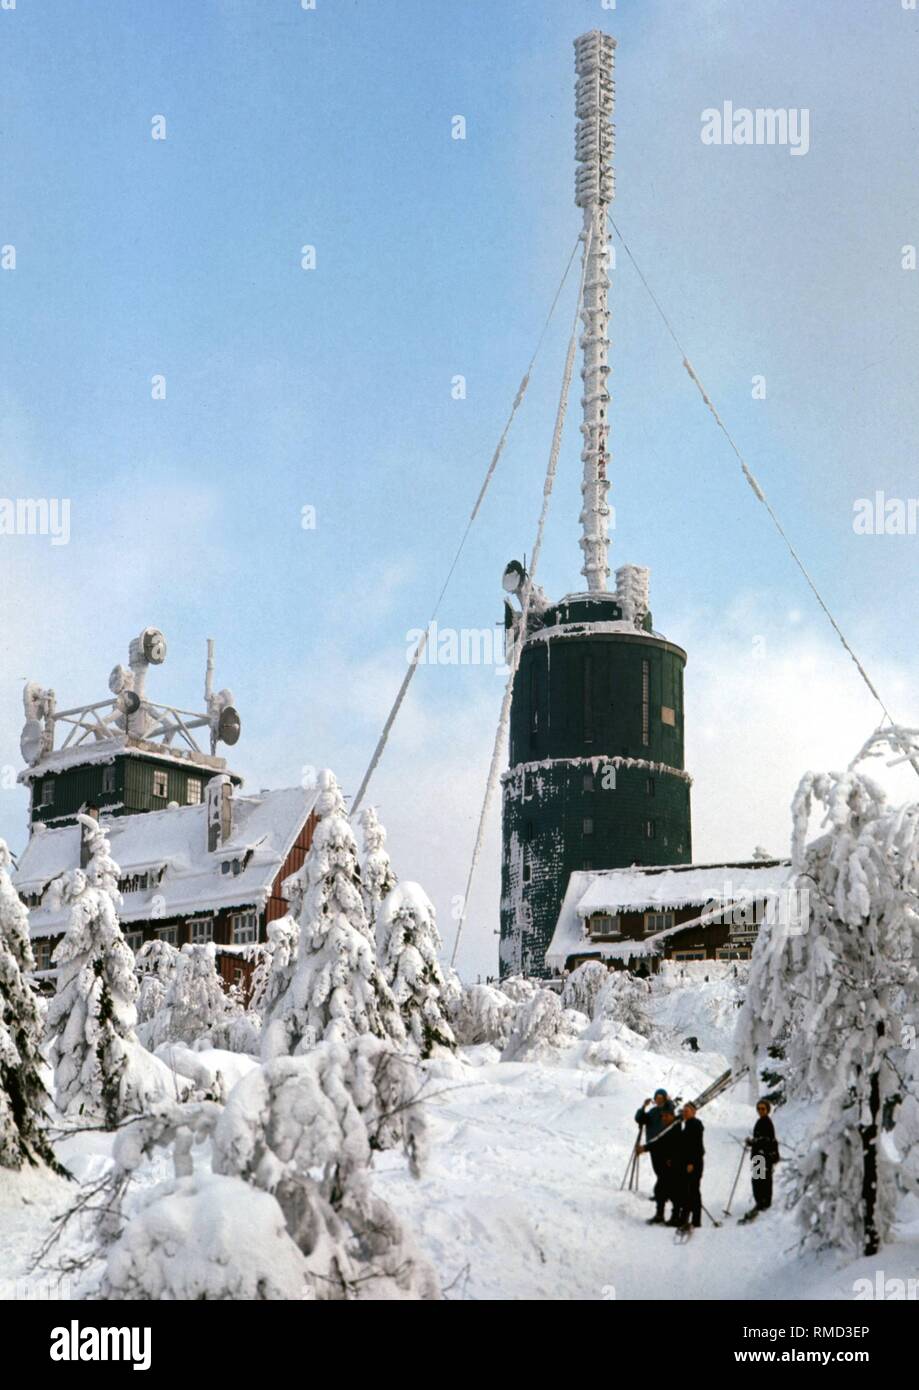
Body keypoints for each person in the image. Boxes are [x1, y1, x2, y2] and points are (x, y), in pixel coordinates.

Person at [740, 1100, 780, 1223]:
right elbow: (761, 1139)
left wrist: (753, 1142)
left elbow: (766, 1140)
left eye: (763, 1109)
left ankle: (763, 1202)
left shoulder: (767, 1122)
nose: (761, 1111)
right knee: (758, 1179)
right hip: (759, 1155)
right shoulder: (761, 1121)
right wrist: (753, 1142)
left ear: (767, 1110)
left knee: (762, 1180)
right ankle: (761, 1202)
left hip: (764, 1156)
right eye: (759, 1109)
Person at [641, 1103, 680, 1225]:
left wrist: (645, 1148)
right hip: (666, 1165)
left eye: (666, 1116)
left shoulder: (675, 1128)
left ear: (672, 1116)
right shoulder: (669, 1127)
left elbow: (662, 1144)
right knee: (660, 1190)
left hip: (672, 1166)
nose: (663, 1118)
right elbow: (658, 1142)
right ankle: (660, 1215)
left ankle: (675, 1217)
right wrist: (646, 1148)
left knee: (673, 1191)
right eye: (662, 1116)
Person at [676, 1100, 705, 1230]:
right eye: (684, 1111)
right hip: (688, 1163)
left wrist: (691, 1162)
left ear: (694, 1112)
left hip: (694, 1163)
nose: (685, 1113)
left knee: (693, 1190)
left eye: (687, 1111)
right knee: (687, 1190)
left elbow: (696, 1147)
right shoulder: (688, 1125)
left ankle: (695, 1219)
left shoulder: (695, 1125)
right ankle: (686, 1217)